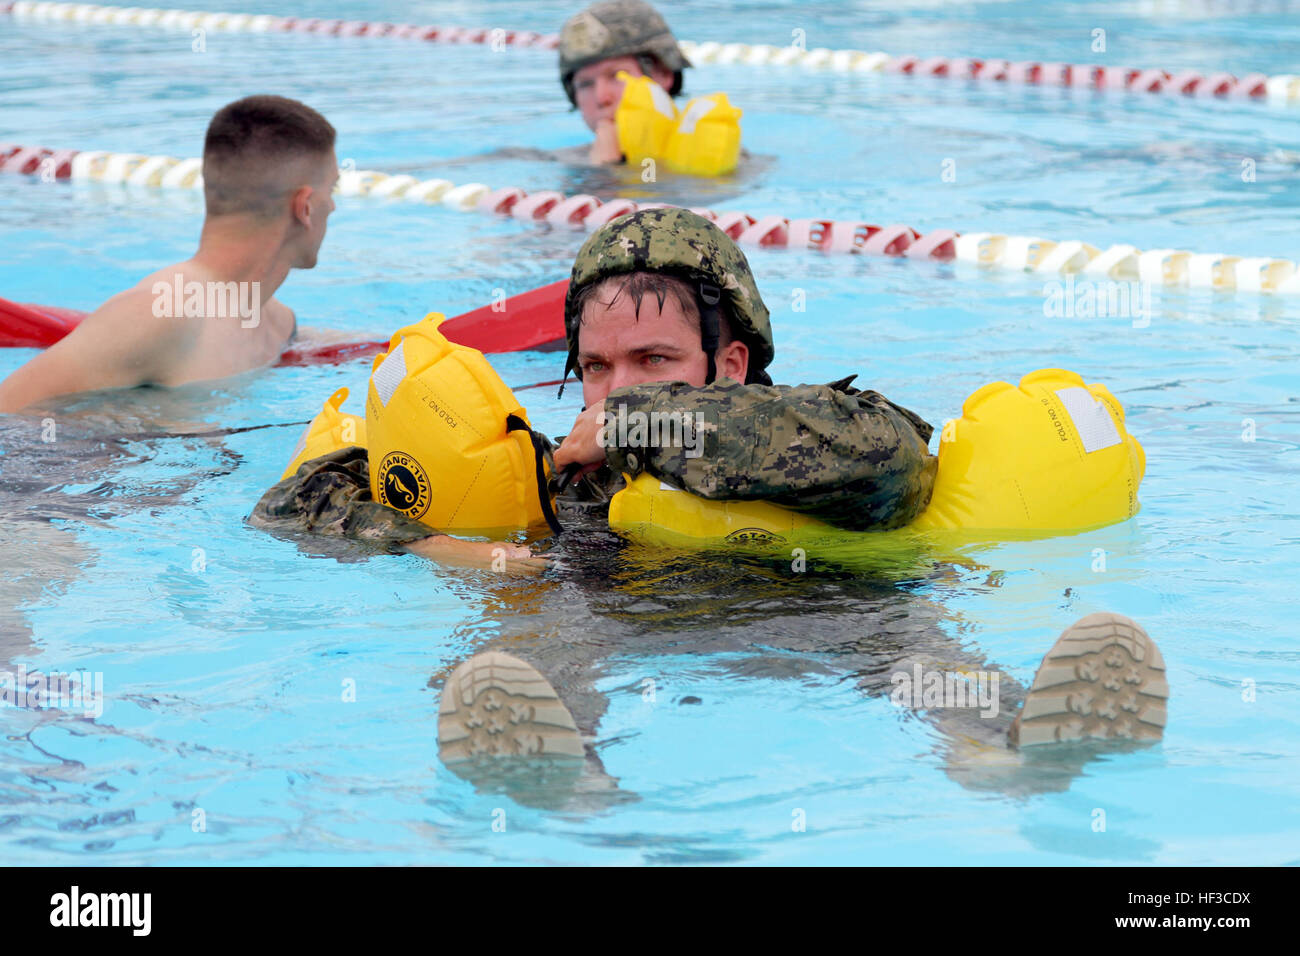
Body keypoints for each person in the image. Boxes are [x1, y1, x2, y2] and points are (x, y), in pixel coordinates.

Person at [249, 208, 1169, 786]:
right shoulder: (556, 475)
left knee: (913, 643)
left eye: (652, 361)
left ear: (729, 364)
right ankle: (568, 787)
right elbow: (296, 502)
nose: (613, 390)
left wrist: (637, 423)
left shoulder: (804, 432)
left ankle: (1009, 754)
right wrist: (451, 548)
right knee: (527, 647)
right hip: (610, 614)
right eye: (597, 369)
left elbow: (890, 456)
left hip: (818, 609)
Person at [0, 95, 337, 413]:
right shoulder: (157, 314)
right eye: (331, 189)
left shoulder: (278, 324)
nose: (333, 206)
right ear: (304, 206)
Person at [558, 0, 691, 166]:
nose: (602, 97)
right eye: (585, 84)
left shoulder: (716, 158)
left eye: (618, 76)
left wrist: (611, 172)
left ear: (663, 74)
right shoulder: (557, 162)